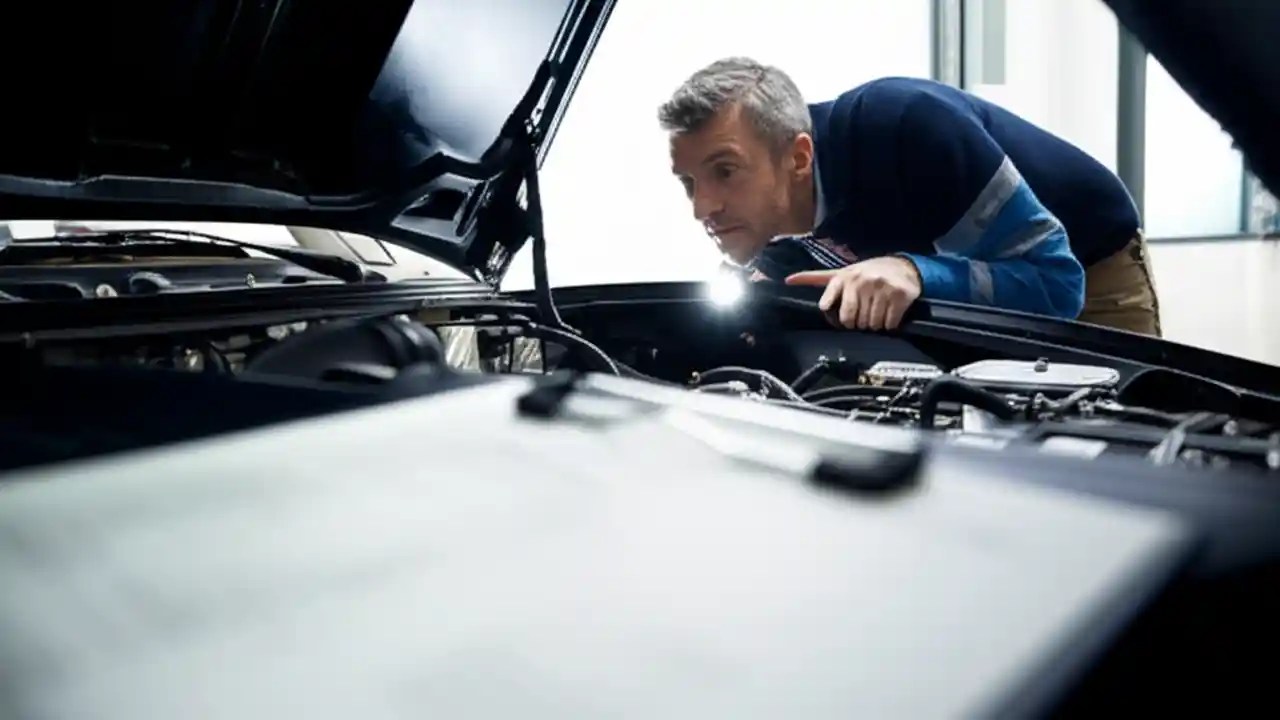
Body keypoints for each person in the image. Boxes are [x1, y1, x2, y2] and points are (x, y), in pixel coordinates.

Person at [658, 57, 1162, 336]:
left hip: (1091, 263)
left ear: (798, 157)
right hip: (969, 275)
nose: (702, 208)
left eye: (725, 171)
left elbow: (1057, 284)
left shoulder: (908, 126)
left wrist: (912, 271)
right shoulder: (771, 227)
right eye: (688, 182)